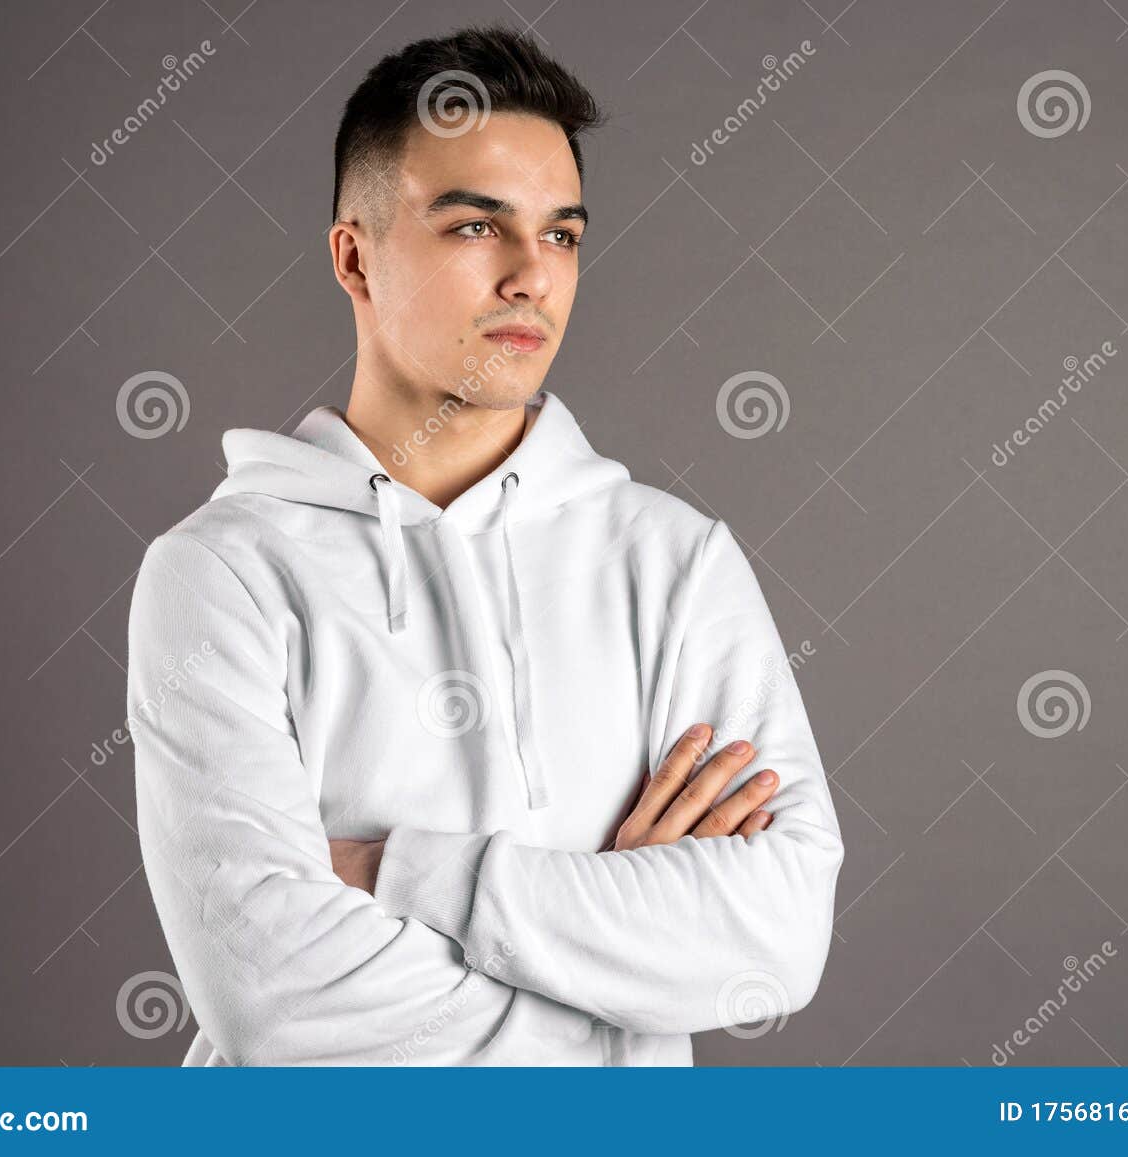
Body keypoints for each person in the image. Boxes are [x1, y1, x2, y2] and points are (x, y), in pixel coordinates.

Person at [127, 23, 844, 1066]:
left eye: (561, 235)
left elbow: (772, 941)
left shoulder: (674, 561)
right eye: (475, 227)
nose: (530, 277)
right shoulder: (224, 573)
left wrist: (395, 871)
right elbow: (274, 1005)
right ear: (354, 256)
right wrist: (612, 961)